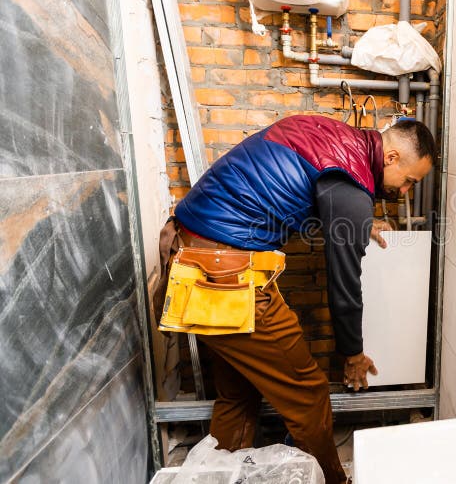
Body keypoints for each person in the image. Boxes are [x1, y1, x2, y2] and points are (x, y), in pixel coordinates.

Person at [154, 114, 435, 484]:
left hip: (193, 254)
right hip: (226, 275)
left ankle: (218, 475)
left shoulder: (337, 138)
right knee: (309, 392)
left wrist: (357, 223)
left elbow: (295, 191)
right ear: (392, 157)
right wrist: (353, 354)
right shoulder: (352, 186)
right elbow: (344, 286)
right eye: (409, 180)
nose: (405, 191)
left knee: (239, 391)